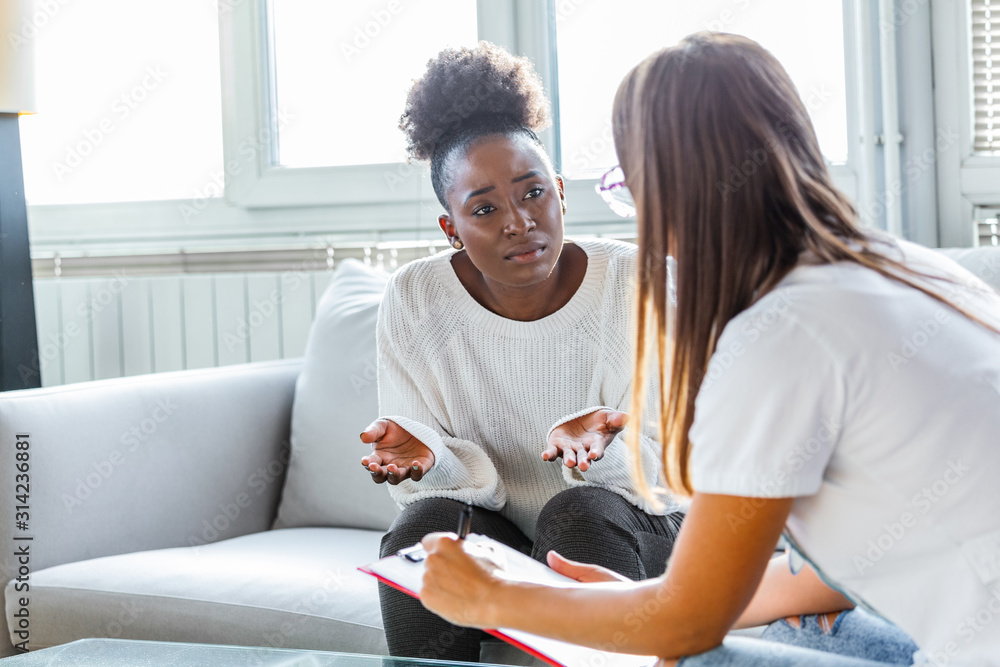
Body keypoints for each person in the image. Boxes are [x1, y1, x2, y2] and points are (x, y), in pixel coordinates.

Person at [417, 33, 1000, 666]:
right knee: (776, 628)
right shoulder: (902, 267)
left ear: (672, 192)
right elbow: (828, 579)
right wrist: (648, 599)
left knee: (682, 657)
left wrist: (490, 598)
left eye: (632, 188)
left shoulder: (778, 337)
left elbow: (686, 626)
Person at [359, 42, 686, 662]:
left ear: (561, 191)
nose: (519, 221)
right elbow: (428, 490)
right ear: (450, 227)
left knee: (580, 514)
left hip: (647, 520)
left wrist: (608, 452)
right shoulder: (414, 299)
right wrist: (431, 463)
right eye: (484, 208)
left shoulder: (639, 280)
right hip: (503, 530)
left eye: (533, 193)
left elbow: (676, 472)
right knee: (424, 533)